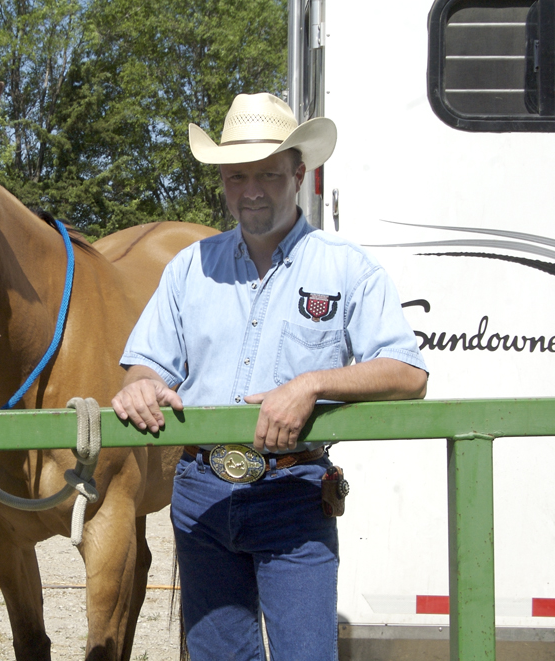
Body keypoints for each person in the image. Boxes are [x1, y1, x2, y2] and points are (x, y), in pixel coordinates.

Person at [111, 94, 428, 660]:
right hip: (201, 492)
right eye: (237, 177)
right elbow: (148, 363)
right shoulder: (189, 266)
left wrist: (309, 385)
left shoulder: (347, 267)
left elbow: (407, 372)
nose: (251, 190)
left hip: (293, 491)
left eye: (268, 175)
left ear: (299, 175)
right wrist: (139, 382)